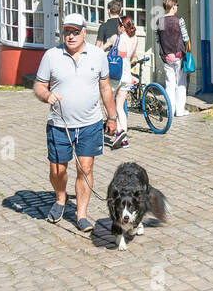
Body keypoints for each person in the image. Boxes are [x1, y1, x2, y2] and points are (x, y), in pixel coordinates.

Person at [34, 13, 117, 233]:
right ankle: (60, 199)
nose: (70, 37)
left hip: (90, 123)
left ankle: (81, 214)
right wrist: (46, 95)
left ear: (83, 32)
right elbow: (39, 86)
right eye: (66, 32)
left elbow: (105, 88)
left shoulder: (98, 55)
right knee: (58, 170)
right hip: (59, 124)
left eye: (74, 32)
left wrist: (112, 116)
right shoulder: (51, 56)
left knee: (86, 168)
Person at [102, 16, 144, 150]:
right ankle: (124, 139)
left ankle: (119, 130)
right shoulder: (135, 39)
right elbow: (130, 57)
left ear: (121, 26)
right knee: (120, 107)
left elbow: (100, 49)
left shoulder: (116, 38)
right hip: (127, 75)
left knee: (108, 103)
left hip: (115, 75)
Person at [155, 0, 190, 117]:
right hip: (179, 55)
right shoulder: (179, 20)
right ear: (173, 6)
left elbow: (157, 39)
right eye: (177, 5)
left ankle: (171, 110)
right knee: (181, 83)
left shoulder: (159, 21)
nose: (177, 7)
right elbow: (186, 38)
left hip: (166, 57)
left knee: (169, 84)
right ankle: (180, 110)